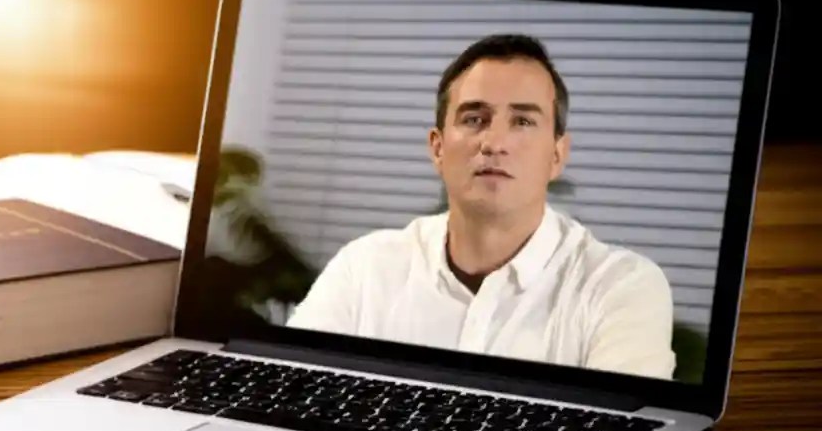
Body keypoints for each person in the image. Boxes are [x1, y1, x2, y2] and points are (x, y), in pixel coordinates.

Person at [286, 34, 676, 380]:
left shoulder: (620, 286)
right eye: (474, 118)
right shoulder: (364, 268)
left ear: (557, 155)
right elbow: (293, 386)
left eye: (523, 121)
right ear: (438, 148)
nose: (494, 143)